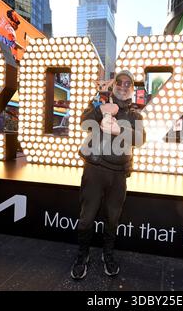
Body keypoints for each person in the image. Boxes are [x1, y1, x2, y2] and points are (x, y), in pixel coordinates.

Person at [71, 70, 145, 280]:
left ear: (131, 89)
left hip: (119, 175)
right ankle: (82, 256)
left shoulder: (135, 114)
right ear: (113, 86)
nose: (122, 86)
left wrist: (119, 131)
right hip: (95, 169)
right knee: (86, 219)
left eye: (127, 84)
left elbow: (140, 139)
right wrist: (101, 108)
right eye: (119, 82)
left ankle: (107, 255)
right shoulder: (100, 101)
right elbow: (84, 122)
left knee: (112, 220)